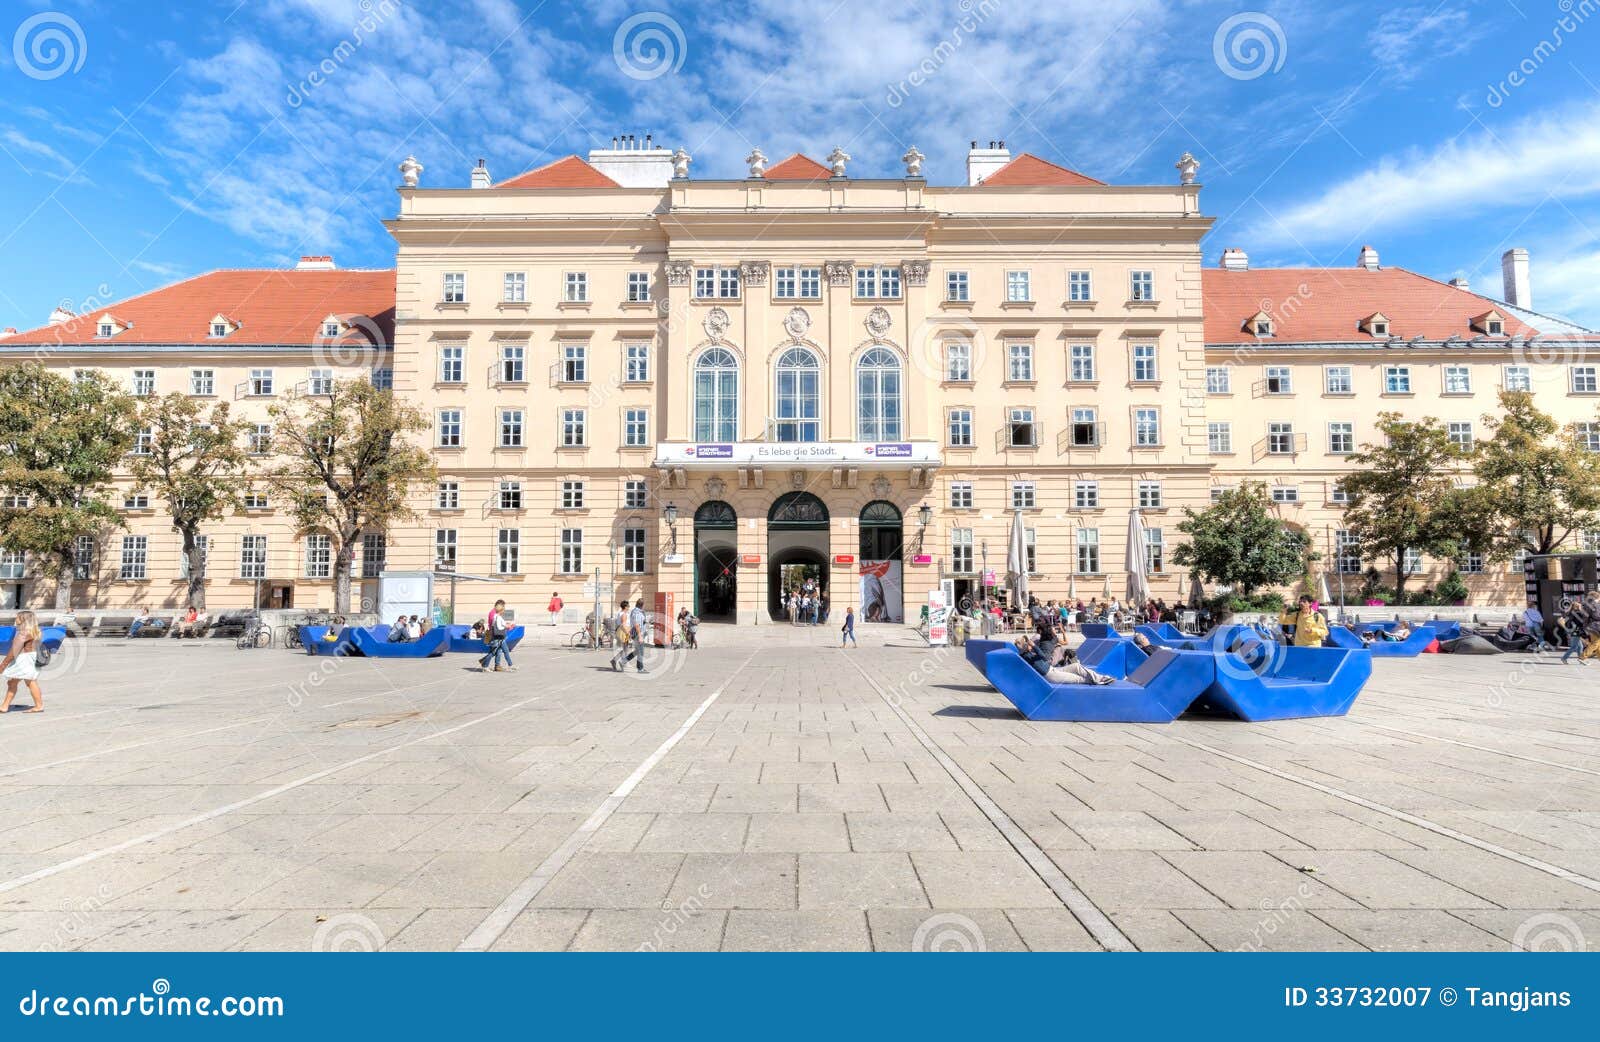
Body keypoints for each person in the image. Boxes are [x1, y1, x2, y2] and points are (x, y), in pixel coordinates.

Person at [1, 610, 44, 714]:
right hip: (30, 658)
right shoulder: (35, 631)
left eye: (17, 617)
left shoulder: (23, 633)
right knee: (13, 682)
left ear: (23, 619)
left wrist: (3, 665)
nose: (16, 619)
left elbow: (13, 651)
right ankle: (4, 706)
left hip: (24, 660)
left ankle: (39, 706)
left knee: (30, 682)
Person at [479, 599, 514, 672]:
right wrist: (507, 626)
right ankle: (485, 663)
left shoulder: (495, 614)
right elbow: (496, 626)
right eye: (503, 606)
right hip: (496, 636)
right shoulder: (494, 614)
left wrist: (505, 625)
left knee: (498, 651)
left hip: (497, 636)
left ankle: (497, 666)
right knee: (495, 652)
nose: (504, 609)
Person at [608, 599, 632, 671]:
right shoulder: (623, 614)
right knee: (625, 648)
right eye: (628, 606)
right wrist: (628, 633)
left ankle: (615, 661)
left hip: (621, 631)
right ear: (625, 607)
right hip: (623, 631)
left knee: (625, 649)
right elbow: (623, 625)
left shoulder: (620, 613)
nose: (629, 607)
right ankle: (620, 663)